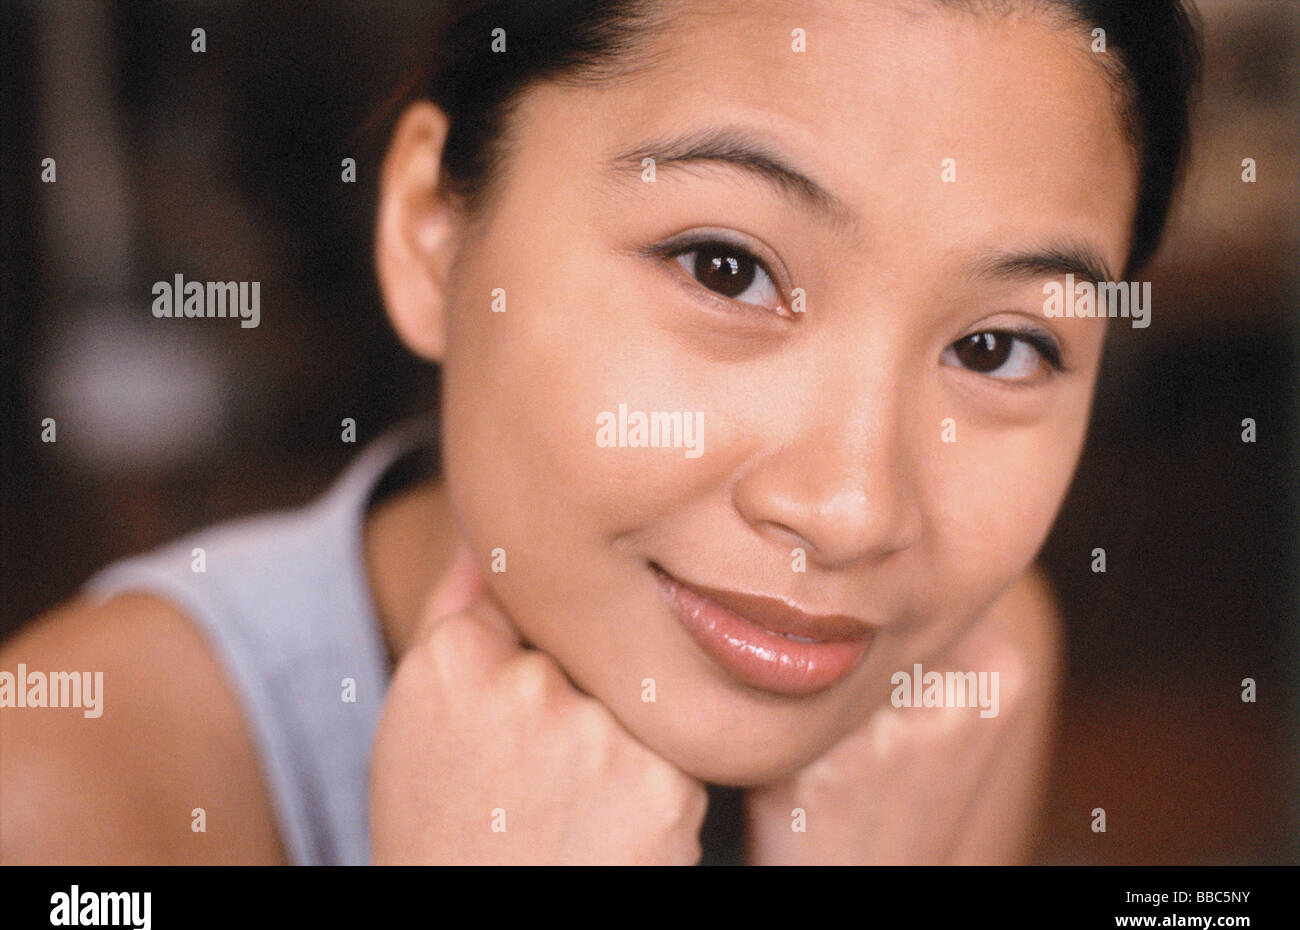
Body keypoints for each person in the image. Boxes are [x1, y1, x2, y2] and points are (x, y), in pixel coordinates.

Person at [0, 0, 1199, 865]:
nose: (851, 510)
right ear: (432, 228)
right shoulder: (58, 786)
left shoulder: (960, 680)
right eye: (724, 268)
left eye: (997, 347)